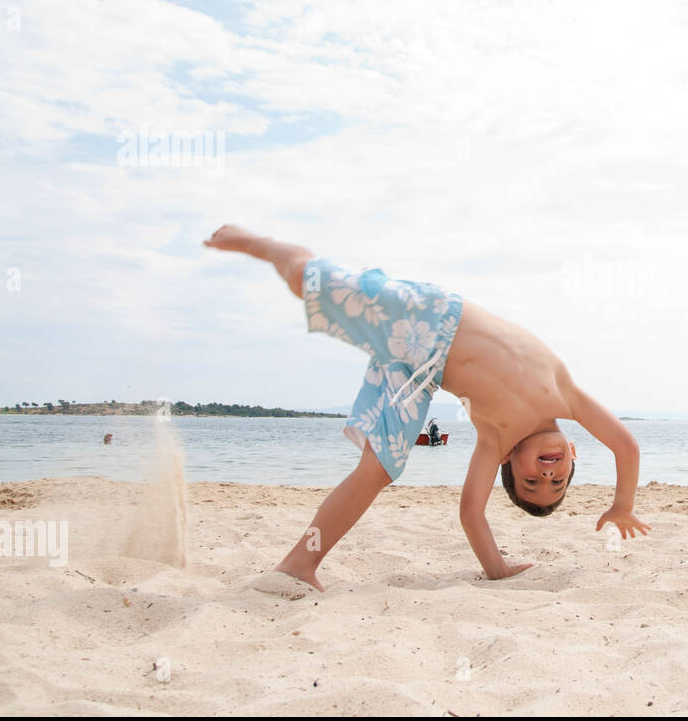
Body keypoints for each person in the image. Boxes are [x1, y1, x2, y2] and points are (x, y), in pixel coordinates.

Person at [203, 224, 648, 591]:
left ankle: (299, 565)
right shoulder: (567, 396)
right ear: (573, 453)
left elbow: (472, 512)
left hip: (418, 374)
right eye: (556, 480)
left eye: (533, 482)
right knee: (307, 281)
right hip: (430, 316)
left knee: (379, 469)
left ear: (508, 463)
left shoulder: (495, 439)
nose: (547, 476)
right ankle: (264, 245)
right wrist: (621, 505)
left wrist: (497, 570)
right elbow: (625, 447)